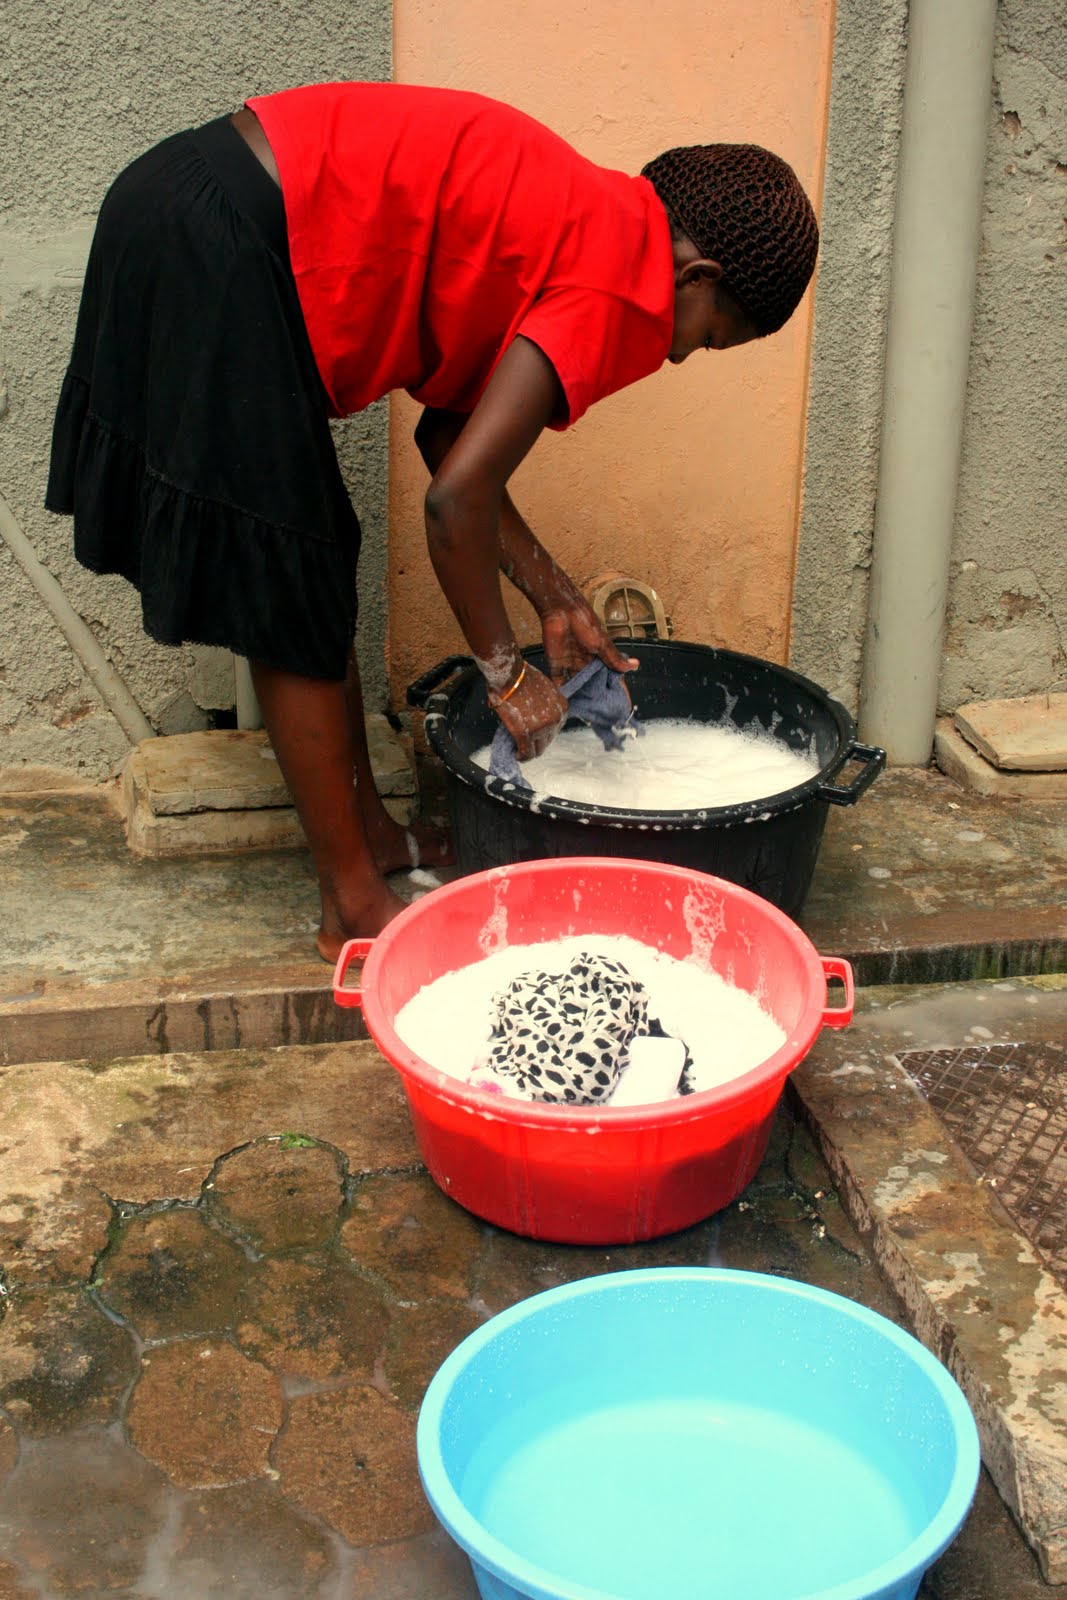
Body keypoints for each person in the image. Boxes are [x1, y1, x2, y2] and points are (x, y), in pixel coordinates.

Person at [46, 82, 819, 959]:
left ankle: (371, 841)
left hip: (198, 209)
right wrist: (504, 673)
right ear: (696, 277)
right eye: (710, 337)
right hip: (220, 236)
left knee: (317, 556)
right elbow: (453, 501)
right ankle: (353, 906)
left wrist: (551, 593)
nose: (681, 354)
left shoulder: (595, 222)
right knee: (287, 574)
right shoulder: (622, 289)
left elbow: (450, 432)